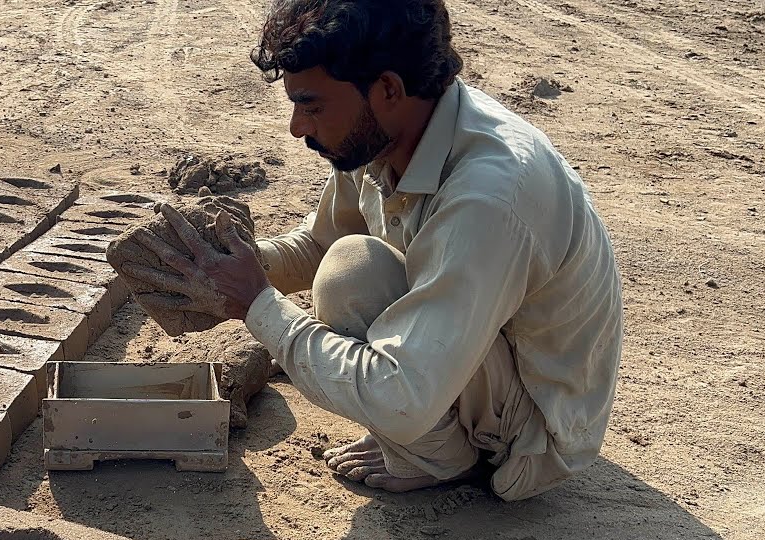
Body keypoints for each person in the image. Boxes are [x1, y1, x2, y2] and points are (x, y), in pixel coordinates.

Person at [122, 0, 623, 500]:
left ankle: (443, 456)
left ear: (387, 88)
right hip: (487, 354)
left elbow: (397, 399)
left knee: (351, 278)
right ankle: (441, 435)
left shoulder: (489, 197)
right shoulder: (394, 129)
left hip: (536, 429)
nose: (297, 128)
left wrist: (256, 305)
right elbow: (322, 242)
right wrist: (231, 267)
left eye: (312, 106)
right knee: (349, 264)